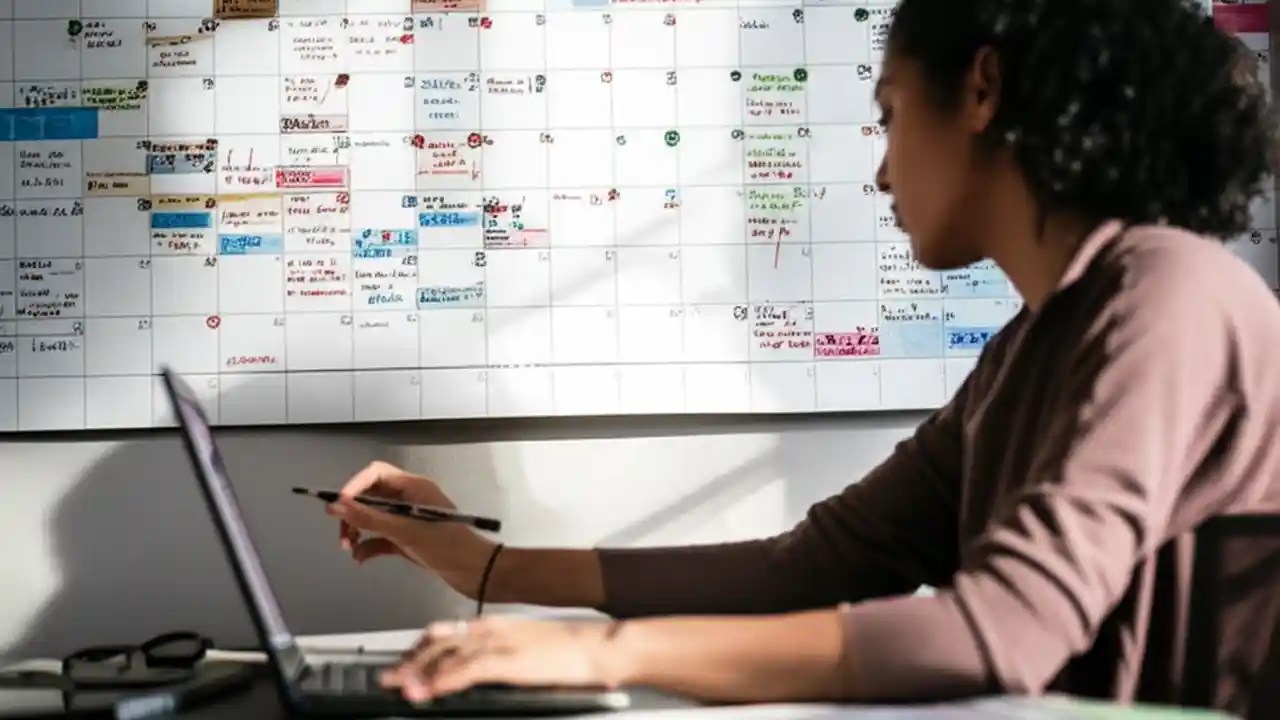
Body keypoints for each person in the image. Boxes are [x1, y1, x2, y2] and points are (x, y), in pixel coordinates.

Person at [324, 0, 1280, 712]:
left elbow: (1000, 634)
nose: (879, 170)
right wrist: (488, 568)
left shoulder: (1170, 294)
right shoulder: (1031, 348)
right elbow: (811, 566)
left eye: (891, 114)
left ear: (981, 91)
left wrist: (601, 658)